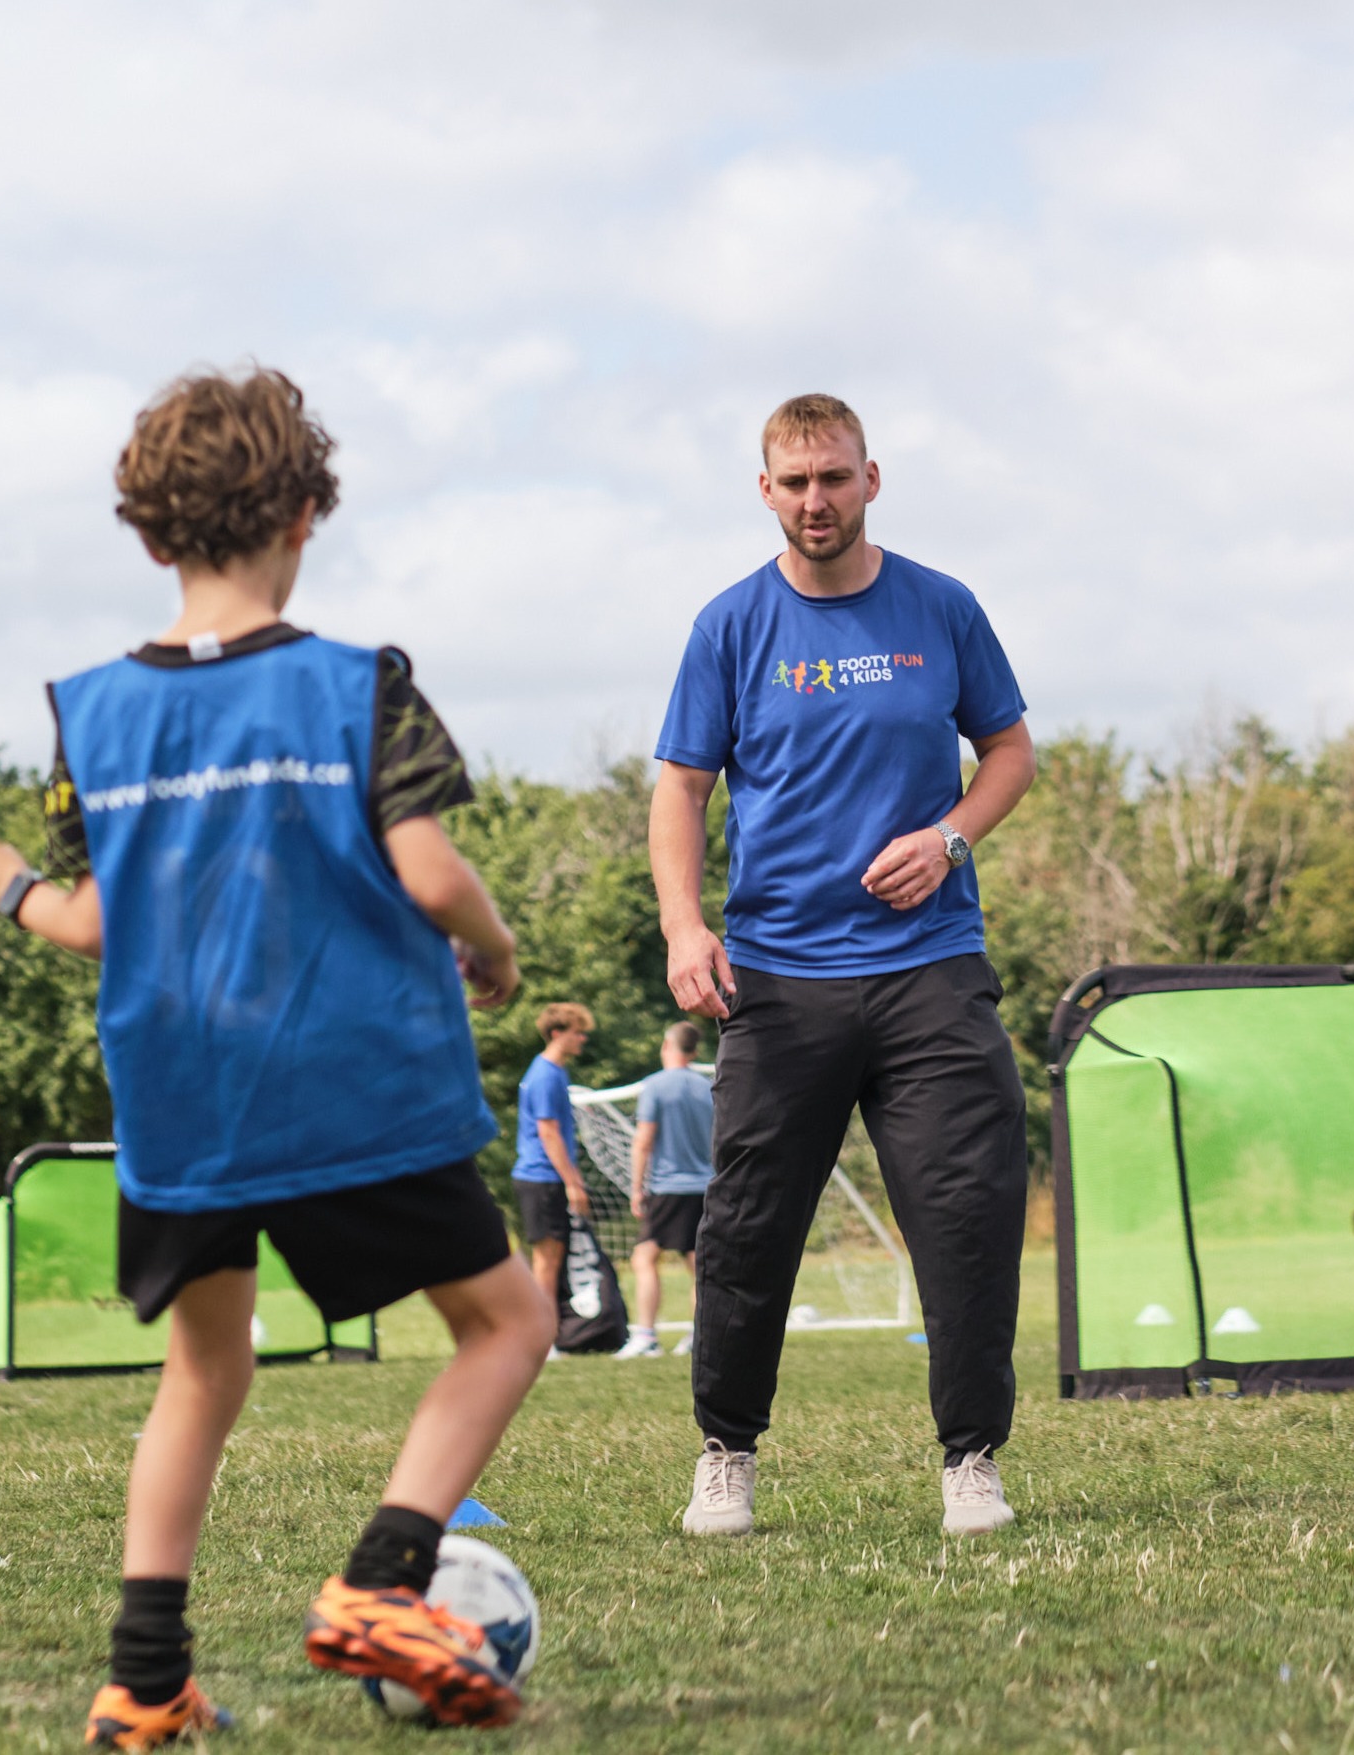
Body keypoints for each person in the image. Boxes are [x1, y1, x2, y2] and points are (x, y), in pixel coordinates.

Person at [0, 366, 552, 1746]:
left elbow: (98, 919)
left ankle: (143, 1683)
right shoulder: (357, 686)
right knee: (505, 1321)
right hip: (355, 1093)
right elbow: (432, 870)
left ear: (149, 536)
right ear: (308, 511)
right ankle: (381, 1579)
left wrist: (8, 884)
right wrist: (496, 944)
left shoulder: (90, 713)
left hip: (183, 1107)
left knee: (204, 1373)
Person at [651, 393, 1037, 1540]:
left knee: (968, 1214)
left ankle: (972, 1461)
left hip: (931, 969)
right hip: (776, 975)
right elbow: (681, 786)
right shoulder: (728, 626)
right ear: (764, 492)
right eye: (793, 482)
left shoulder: (943, 607)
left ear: (873, 478)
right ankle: (726, 1453)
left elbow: (1009, 749)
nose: (815, 501)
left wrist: (951, 836)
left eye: (833, 478)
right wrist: (684, 927)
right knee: (750, 1225)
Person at [618, 1020, 715, 1359]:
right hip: (704, 1186)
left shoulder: (655, 1086)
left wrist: (636, 1188)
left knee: (644, 1256)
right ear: (695, 1051)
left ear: (667, 1047)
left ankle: (646, 1335)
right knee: (697, 1263)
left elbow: (643, 1141)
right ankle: (699, 1334)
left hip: (668, 1186)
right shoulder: (707, 1087)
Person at [510, 1002, 595, 1318]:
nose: (582, 1039)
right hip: (541, 1178)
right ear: (557, 1033)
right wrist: (573, 1183)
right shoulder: (545, 1074)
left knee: (554, 1258)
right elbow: (548, 1133)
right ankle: (543, 1339)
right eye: (578, 1033)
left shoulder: (555, 1071)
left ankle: (551, 1331)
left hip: (547, 1178)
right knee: (546, 1260)